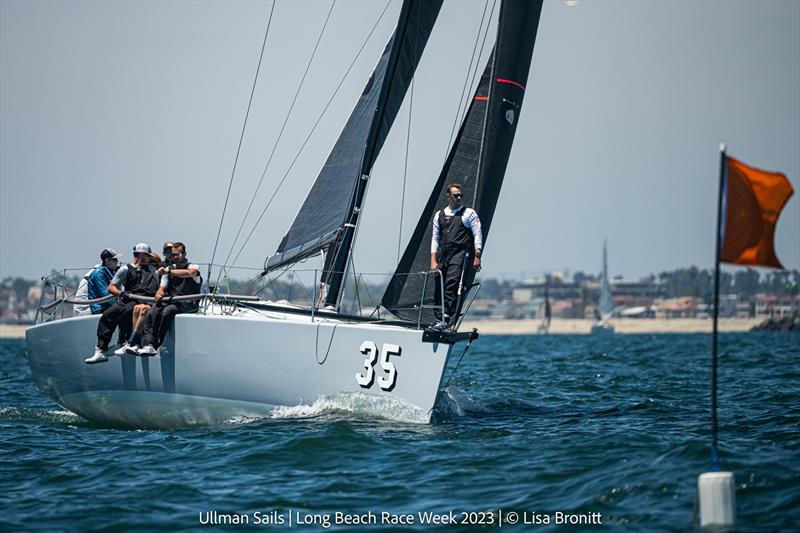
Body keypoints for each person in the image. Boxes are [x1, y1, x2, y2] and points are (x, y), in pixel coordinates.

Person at [85, 243, 159, 364]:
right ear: (141, 255)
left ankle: (123, 341)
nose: (149, 259)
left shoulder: (152, 270)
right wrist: (121, 294)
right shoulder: (125, 269)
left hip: (143, 299)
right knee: (108, 314)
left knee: (127, 310)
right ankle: (101, 349)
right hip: (128, 297)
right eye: (147, 256)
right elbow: (111, 287)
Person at [430, 183, 483, 329]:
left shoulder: (468, 214)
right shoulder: (439, 215)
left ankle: (447, 318)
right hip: (442, 255)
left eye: (460, 195)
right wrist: (433, 260)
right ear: (448, 196)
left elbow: (478, 234)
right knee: (439, 287)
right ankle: (439, 318)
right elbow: (435, 238)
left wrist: (477, 255)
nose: (459, 198)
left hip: (459, 254)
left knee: (451, 284)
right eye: (455, 196)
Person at [138, 242, 202, 355]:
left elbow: (190, 273)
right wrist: (159, 292)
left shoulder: (193, 266)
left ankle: (157, 344)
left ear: (185, 254)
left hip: (188, 303)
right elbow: (162, 286)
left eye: (178, 254)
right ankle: (149, 343)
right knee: (153, 310)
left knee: (167, 311)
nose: (175, 257)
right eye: (173, 255)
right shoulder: (168, 269)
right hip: (172, 300)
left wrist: (169, 271)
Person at [73, 248, 121, 316]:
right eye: (115, 259)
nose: (117, 261)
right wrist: (121, 304)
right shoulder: (99, 273)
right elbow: (106, 295)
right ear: (107, 261)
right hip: (97, 309)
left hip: (104, 307)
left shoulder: (109, 271)